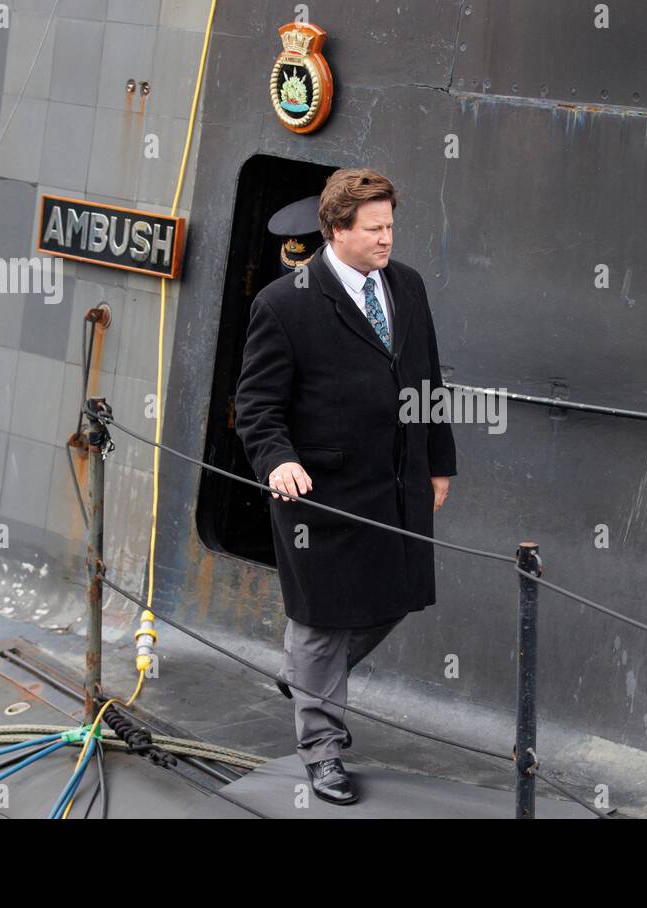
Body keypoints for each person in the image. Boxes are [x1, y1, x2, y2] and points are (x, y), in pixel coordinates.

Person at [234, 168, 457, 804]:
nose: (387, 239)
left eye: (391, 225)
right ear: (337, 230)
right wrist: (276, 461)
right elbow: (256, 404)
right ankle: (323, 752)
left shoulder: (407, 286)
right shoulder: (285, 303)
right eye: (374, 228)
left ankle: (302, 676)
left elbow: (426, 381)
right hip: (320, 493)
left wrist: (438, 462)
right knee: (321, 621)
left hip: (396, 481)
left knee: (396, 596)